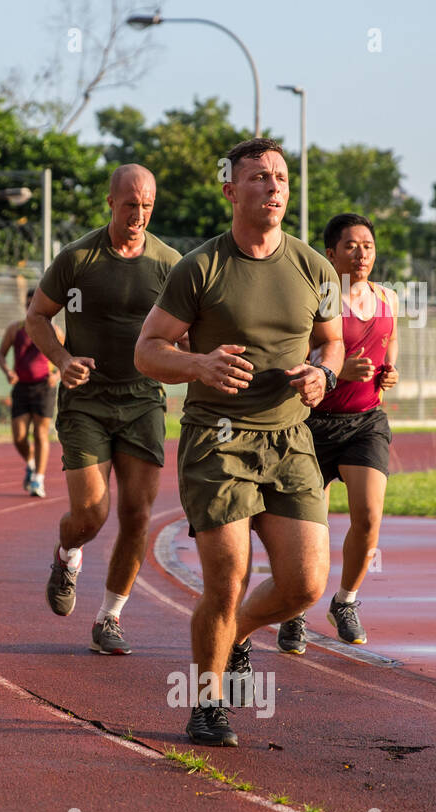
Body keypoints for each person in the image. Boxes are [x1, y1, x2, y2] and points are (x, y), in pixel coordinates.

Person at [135, 138, 343, 746]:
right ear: (231, 190)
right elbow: (148, 351)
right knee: (226, 579)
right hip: (218, 441)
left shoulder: (314, 267)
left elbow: (332, 339)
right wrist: (199, 366)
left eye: (280, 177)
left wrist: (323, 372)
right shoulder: (200, 267)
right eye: (259, 177)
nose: (274, 187)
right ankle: (207, 704)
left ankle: (239, 635)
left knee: (305, 584)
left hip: (289, 440)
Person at [25, 164, 180, 655]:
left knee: (137, 515)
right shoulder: (77, 258)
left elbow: (191, 332)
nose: (139, 214)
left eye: (147, 205)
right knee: (92, 513)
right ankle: (68, 553)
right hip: (86, 401)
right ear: (110, 202)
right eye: (130, 203)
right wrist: (64, 359)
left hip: (143, 401)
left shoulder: (170, 264)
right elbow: (37, 316)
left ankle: (110, 616)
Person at [277, 213, 399, 652]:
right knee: (313, 528)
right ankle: (293, 610)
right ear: (330, 254)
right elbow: (299, 355)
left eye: (367, 244)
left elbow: (389, 344)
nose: (361, 253)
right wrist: (338, 369)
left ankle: (345, 601)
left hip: (366, 421)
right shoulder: (317, 301)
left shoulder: (388, 298)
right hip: (312, 423)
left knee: (368, 517)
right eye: (350, 245)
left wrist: (388, 374)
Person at [0, 289, 61, 497]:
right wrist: (8, 372)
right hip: (22, 387)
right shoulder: (15, 329)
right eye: (29, 303)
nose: (31, 306)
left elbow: (69, 354)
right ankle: (31, 462)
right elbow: (1, 354)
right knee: (19, 437)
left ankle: (38, 480)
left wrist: (57, 374)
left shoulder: (55, 330)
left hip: (44, 386)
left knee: (41, 433)